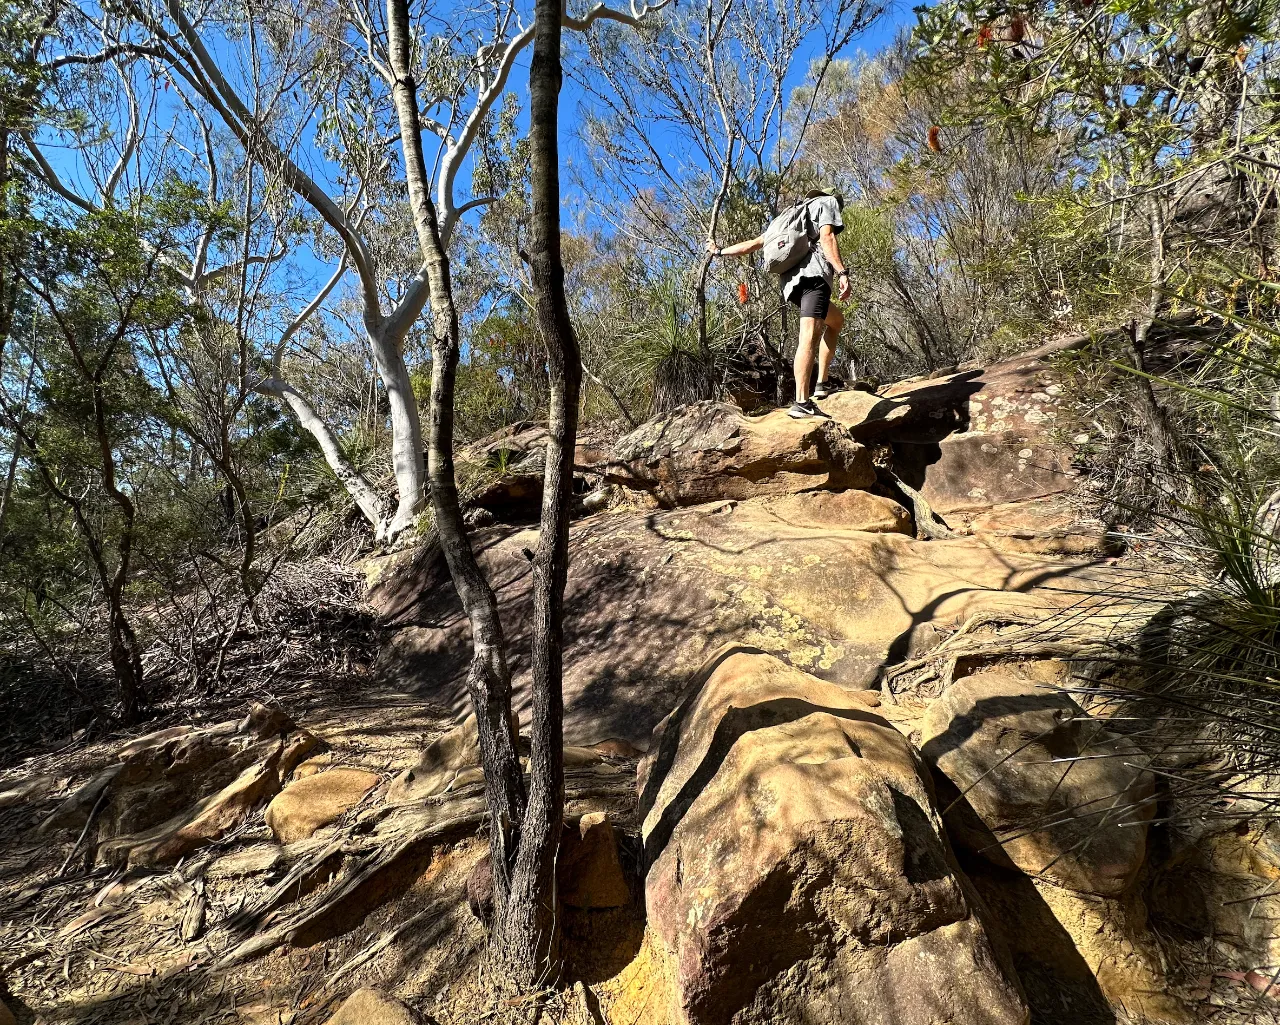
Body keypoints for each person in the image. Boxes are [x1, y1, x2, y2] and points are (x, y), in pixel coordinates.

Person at [707, 190, 852, 419]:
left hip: (790, 286)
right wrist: (842, 272)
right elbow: (827, 238)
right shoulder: (827, 202)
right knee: (808, 336)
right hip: (814, 277)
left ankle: (822, 384)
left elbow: (753, 244)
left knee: (835, 321)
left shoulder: (785, 218)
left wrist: (718, 251)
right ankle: (802, 403)